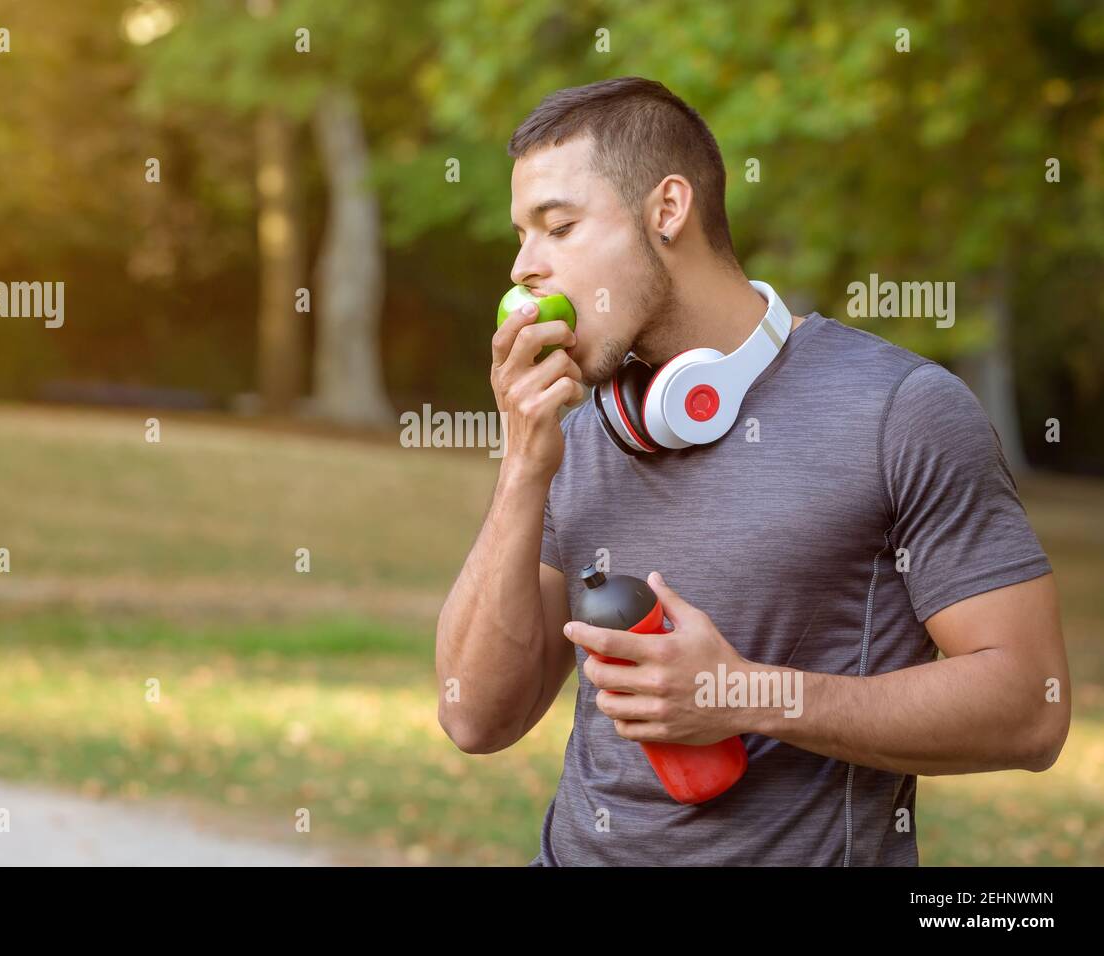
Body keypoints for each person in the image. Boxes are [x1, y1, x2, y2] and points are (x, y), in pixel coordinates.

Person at [434, 76, 1070, 866]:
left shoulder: (900, 409)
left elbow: (1030, 709)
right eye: (521, 236)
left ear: (668, 209)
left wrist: (748, 694)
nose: (524, 268)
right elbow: (475, 718)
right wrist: (523, 466)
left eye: (557, 227)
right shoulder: (578, 437)